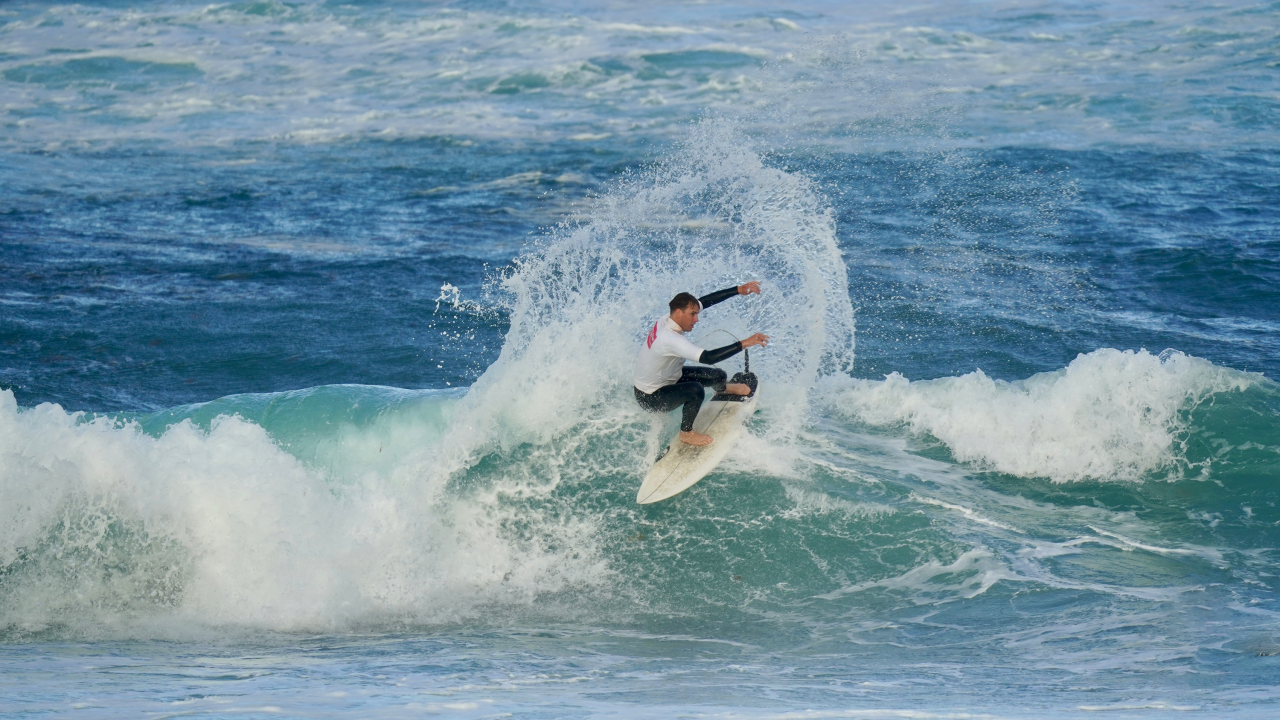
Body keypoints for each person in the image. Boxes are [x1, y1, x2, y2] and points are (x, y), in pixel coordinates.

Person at [633, 281, 770, 447]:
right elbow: (709, 357)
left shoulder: (666, 320)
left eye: (696, 313)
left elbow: (705, 301)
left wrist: (738, 290)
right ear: (678, 313)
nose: (697, 319)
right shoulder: (669, 339)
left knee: (718, 375)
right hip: (651, 396)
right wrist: (745, 342)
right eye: (692, 314)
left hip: (668, 377)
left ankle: (722, 388)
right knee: (695, 390)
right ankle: (686, 432)